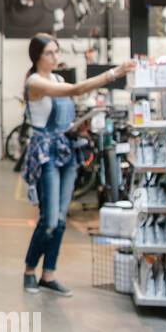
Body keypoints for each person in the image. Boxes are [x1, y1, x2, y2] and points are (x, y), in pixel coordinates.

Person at [20, 33, 135, 296]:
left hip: (67, 150)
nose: (55, 57)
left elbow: (66, 109)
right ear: (37, 56)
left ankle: (48, 274)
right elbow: (74, 90)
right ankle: (29, 270)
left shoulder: (57, 78)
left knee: (61, 220)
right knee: (48, 219)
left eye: (56, 51)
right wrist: (114, 73)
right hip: (47, 154)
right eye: (50, 53)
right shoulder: (35, 82)